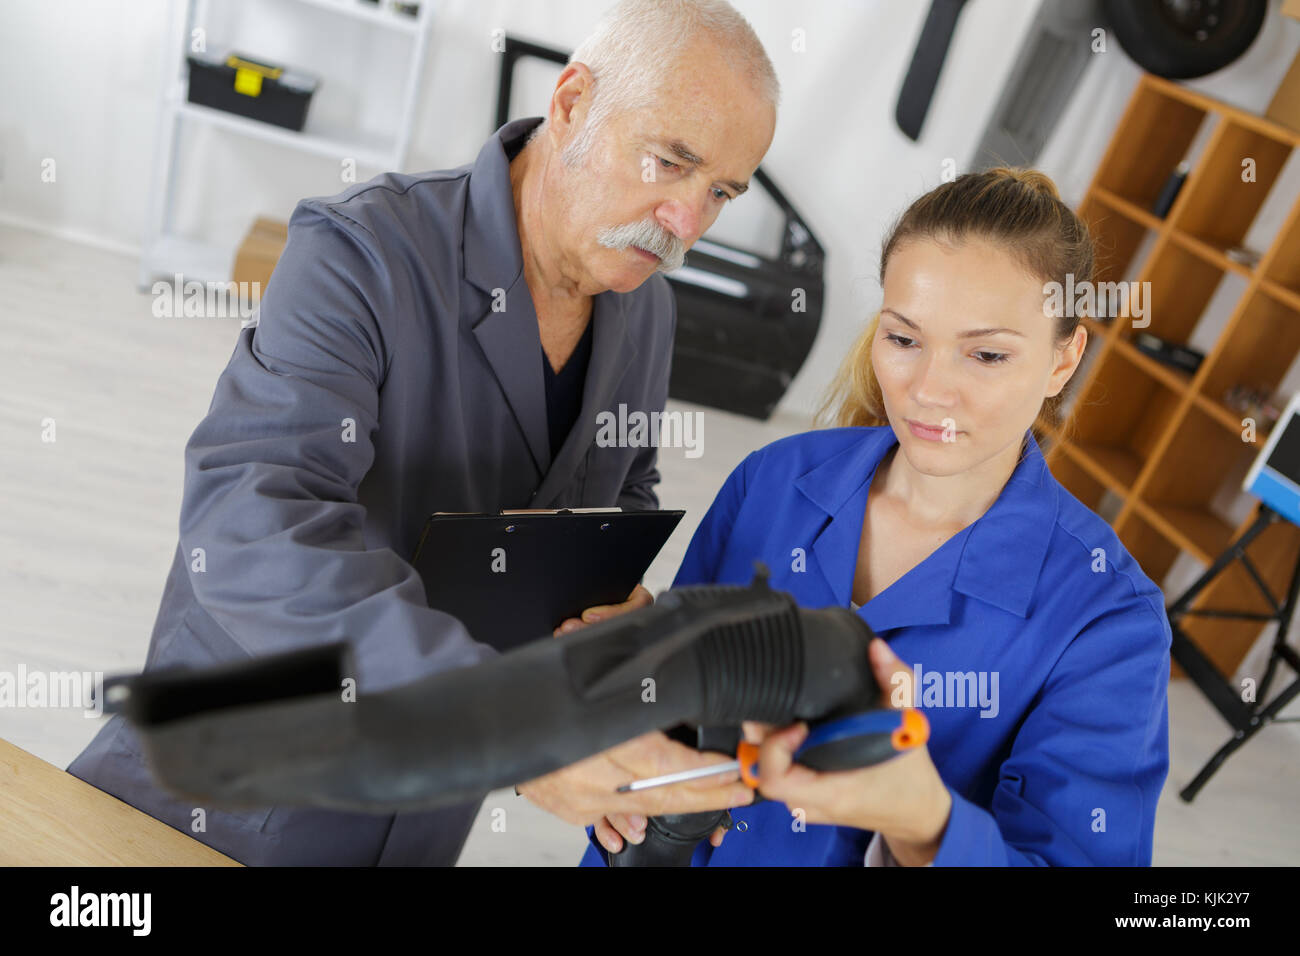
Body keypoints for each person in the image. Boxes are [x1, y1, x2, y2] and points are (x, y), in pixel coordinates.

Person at [67, 0, 777, 865]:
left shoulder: (646, 305)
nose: (687, 225)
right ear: (572, 103)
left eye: (720, 195)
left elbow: (622, 485)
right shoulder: (359, 251)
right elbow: (250, 523)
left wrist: (608, 618)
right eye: (671, 163)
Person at [579, 167, 1172, 866]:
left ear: (1062, 360)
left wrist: (924, 824)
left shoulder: (1108, 617)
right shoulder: (774, 482)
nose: (928, 390)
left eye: (985, 353)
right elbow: (674, 716)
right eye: (903, 339)